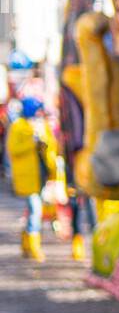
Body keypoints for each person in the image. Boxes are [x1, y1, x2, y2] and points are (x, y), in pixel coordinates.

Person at [7, 96, 58, 262]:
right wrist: (32, 142)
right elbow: (13, 149)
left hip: (42, 175)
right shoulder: (18, 127)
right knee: (35, 210)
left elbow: (52, 146)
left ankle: (26, 241)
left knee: (36, 210)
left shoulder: (42, 125)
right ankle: (35, 247)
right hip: (27, 177)